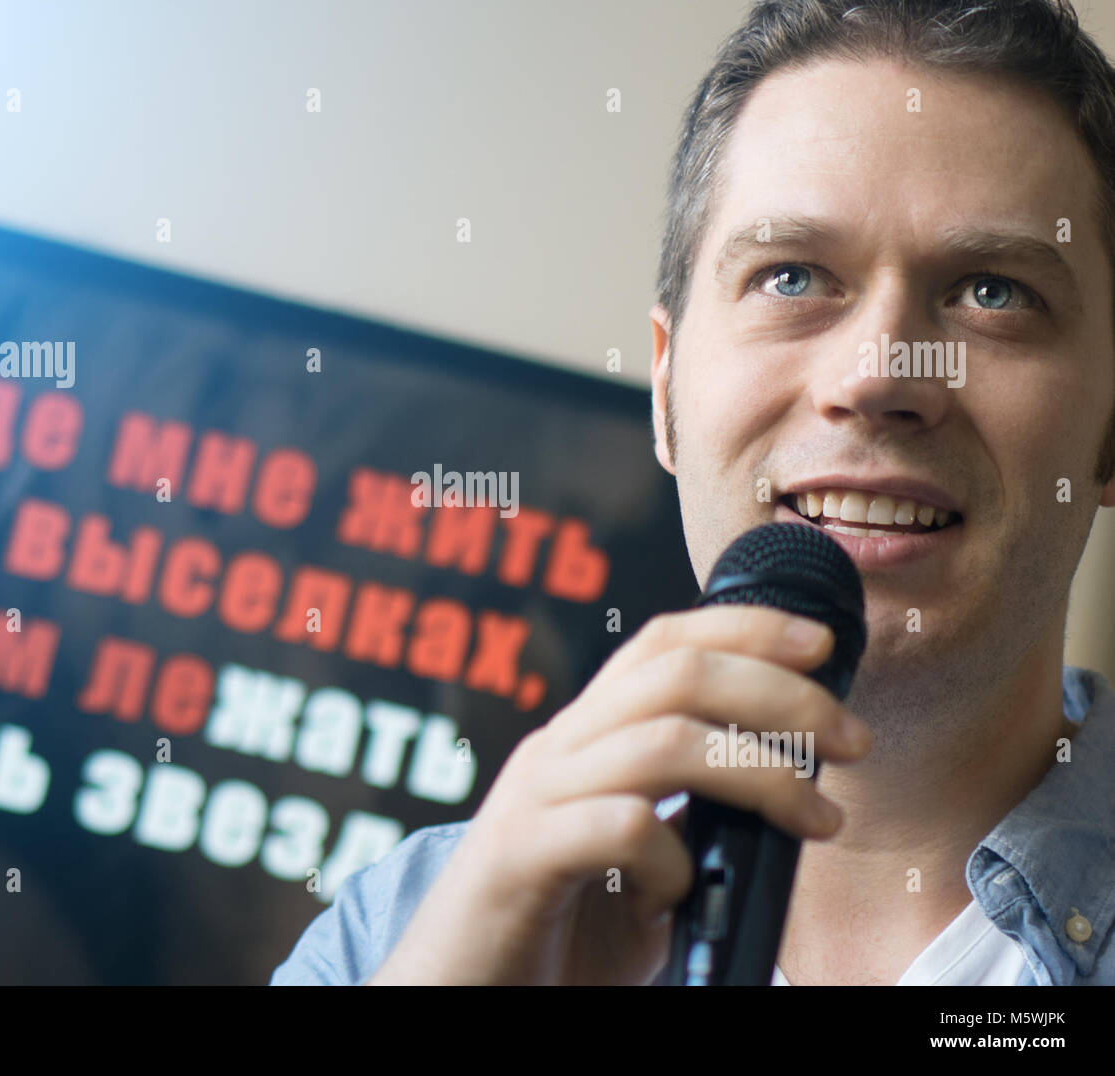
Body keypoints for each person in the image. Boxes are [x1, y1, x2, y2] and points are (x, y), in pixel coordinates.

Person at [271, 0, 1115, 985]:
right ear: (666, 394)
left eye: (991, 292)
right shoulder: (400, 933)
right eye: (791, 276)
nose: (879, 374)